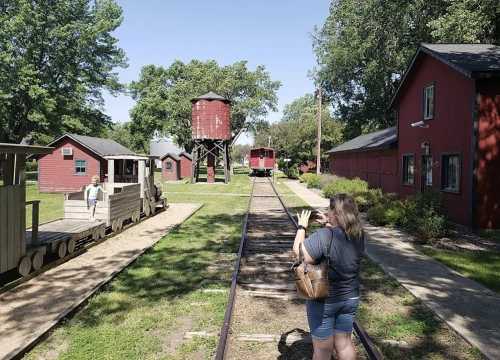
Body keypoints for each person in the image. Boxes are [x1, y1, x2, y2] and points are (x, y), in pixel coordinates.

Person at [293, 194, 365, 360]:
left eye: (329, 209)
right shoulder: (359, 234)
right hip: (350, 298)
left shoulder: (325, 235)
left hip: (324, 301)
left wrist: (302, 227)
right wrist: (329, 223)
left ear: (336, 213)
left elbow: (299, 254)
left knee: (322, 350)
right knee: (344, 343)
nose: (327, 211)